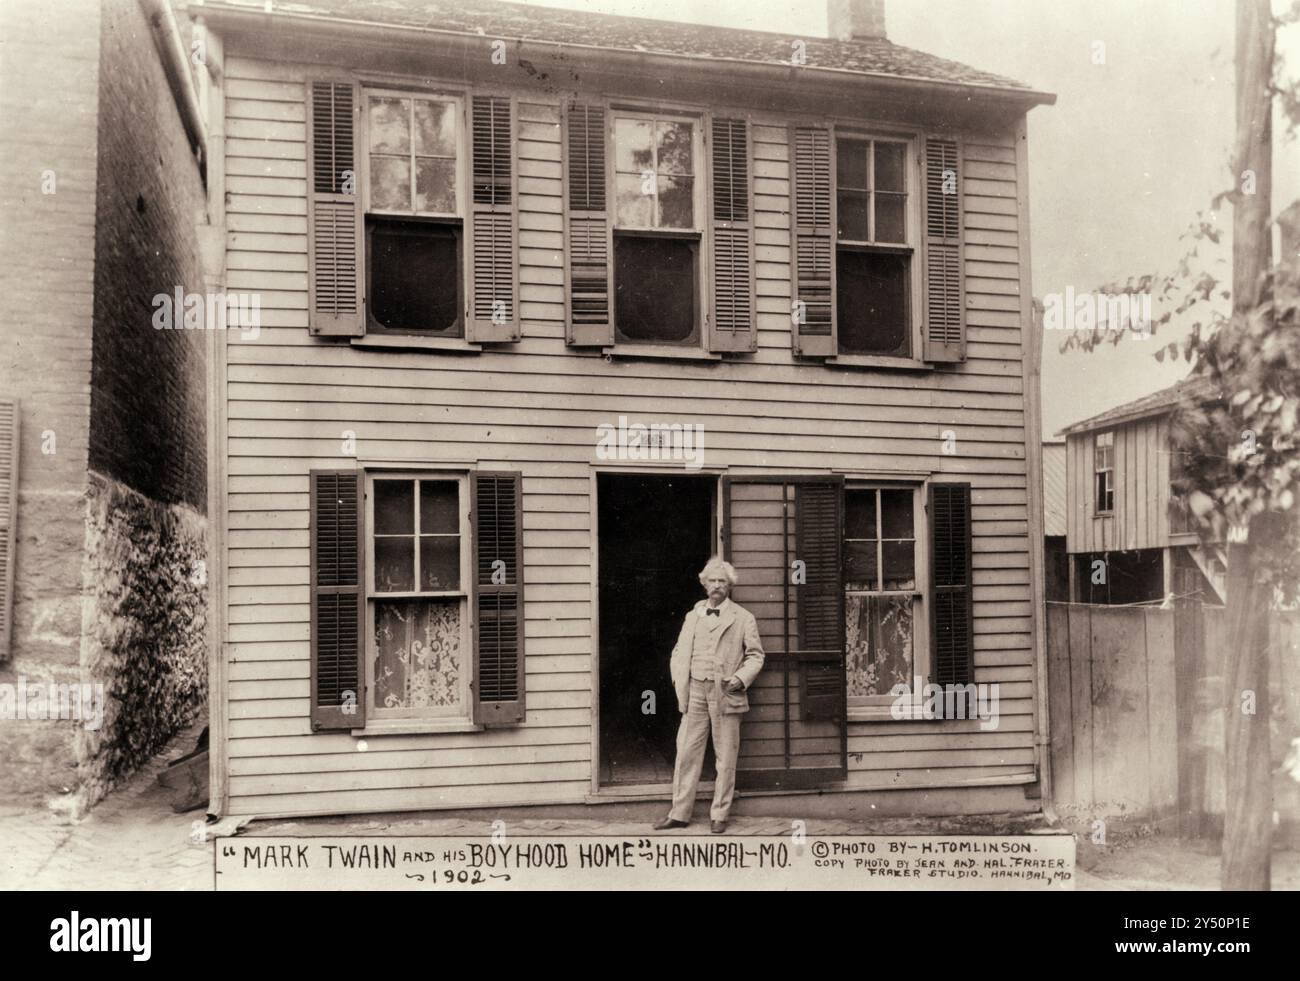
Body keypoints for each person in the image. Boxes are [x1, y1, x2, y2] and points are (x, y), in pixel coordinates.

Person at [653, 557, 765, 834]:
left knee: (725, 755)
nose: (717, 586)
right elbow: (679, 651)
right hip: (695, 692)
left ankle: (720, 814)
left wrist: (740, 679)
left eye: (722, 582)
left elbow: (756, 656)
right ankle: (679, 813)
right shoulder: (693, 615)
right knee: (687, 752)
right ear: (704, 584)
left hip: (726, 692)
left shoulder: (743, 618)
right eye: (712, 581)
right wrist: (681, 679)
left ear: (729, 586)